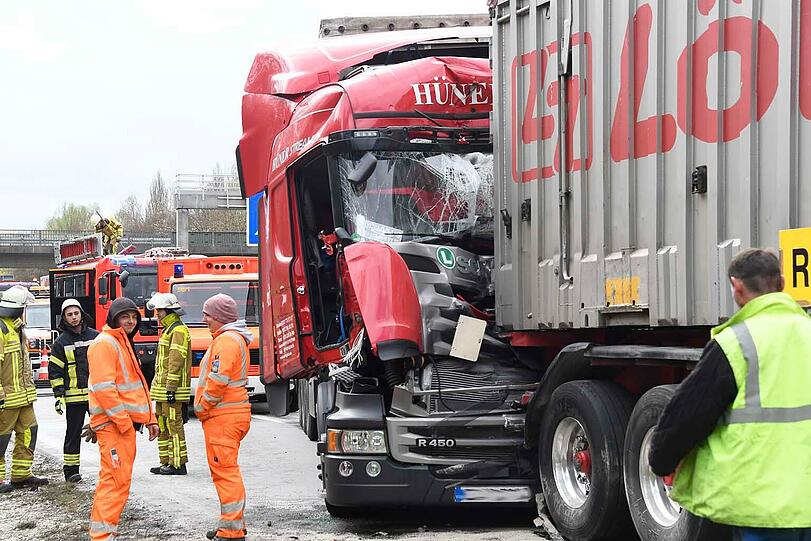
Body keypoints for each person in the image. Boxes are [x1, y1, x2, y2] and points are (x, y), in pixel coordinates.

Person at [649, 248, 811, 540]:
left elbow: (689, 415)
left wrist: (662, 458)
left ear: (737, 287)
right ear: (783, 283)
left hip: (761, 508)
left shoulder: (736, 342)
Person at [87, 297, 159, 540]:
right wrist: (124, 423)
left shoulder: (121, 342)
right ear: (114, 318)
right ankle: (102, 536)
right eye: (125, 316)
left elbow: (136, 387)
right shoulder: (105, 344)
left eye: (134, 316)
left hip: (121, 425)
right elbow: (104, 389)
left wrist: (149, 418)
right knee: (114, 482)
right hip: (115, 426)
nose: (131, 321)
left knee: (117, 481)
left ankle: (104, 534)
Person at [195, 294, 252, 541]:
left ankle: (231, 531)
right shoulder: (231, 338)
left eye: (207, 315)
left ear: (218, 316)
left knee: (225, 473)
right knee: (226, 470)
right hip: (229, 415)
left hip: (223, 417)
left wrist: (202, 407)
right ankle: (233, 524)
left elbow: (218, 381)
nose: (204, 319)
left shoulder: (226, 341)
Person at [0, 285, 49, 492]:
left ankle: (21, 475)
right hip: (7, 398)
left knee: (30, 431)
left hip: (23, 397)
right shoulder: (2, 330)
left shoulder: (17, 329)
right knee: (2, 438)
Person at [49, 298, 99, 483]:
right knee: (73, 434)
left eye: (76, 313)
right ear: (64, 318)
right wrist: (58, 395)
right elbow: (55, 371)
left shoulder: (96, 336)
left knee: (105, 431)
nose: (74, 317)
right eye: (69, 315)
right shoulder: (60, 343)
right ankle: (71, 472)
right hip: (73, 398)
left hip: (96, 396)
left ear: (82, 314)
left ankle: (111, 467)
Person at [146, 292, 191, 475]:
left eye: (159, 310)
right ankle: (166, 462)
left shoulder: (178, 330)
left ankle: (178, 464)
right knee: (163, 424)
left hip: (172, 390)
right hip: (162, 389)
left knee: (173, 425)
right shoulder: (168, 329)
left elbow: (175, 361)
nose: (157, 314)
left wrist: (171, 388)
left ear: (169, 310)